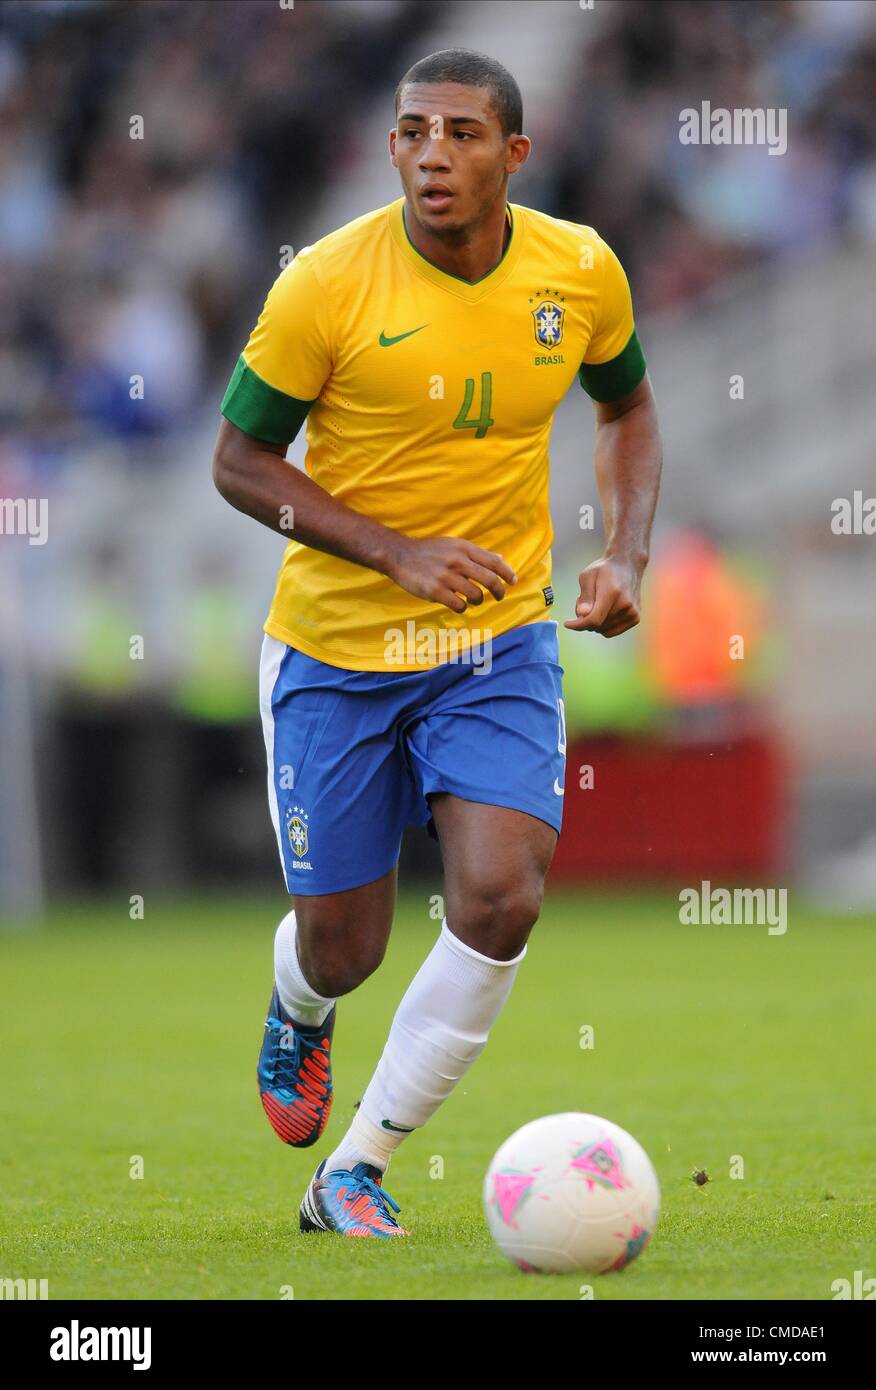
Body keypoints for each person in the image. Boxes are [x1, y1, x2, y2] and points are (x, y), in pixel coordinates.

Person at [212, 48, 662, 1238]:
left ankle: (352, 1169)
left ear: (514, 154)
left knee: (502, 895)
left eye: (461, 133)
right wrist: (395, 551)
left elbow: (625, 406)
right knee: (345, 946)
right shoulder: (325, 284)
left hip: (494, 641)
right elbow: (239, 463)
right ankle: (300, 1003)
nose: (431, 155)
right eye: (413, 132)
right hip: (337, 651)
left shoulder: (579, 268)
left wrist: (624, 551)